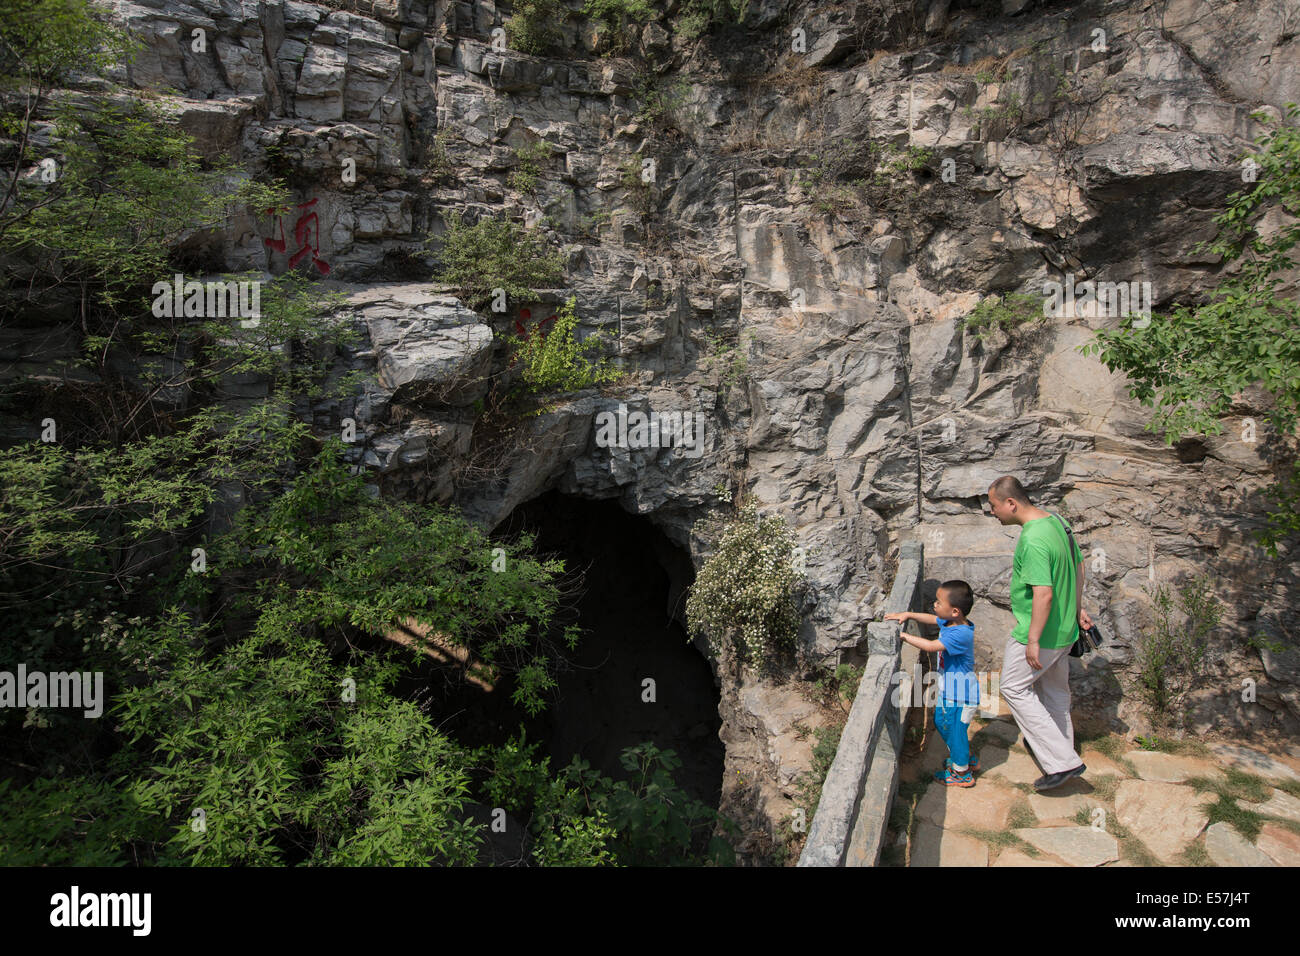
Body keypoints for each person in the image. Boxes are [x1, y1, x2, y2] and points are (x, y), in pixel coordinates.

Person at [986, 475, 1092, 791]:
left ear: (1011, 503)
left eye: (993, 506)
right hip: (1065, 629)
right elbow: (1079, 566)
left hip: (1041, 633)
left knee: (1013, 688)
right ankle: (1060, 749)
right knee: (1056, 692)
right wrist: (1075, 608)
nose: (992, 512)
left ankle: (1063, 762)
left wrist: (1032, 639)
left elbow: (1043, 593)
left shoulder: (1032, 539)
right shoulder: (1057, 521)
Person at [886, 580, 981, 787]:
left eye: (939, 602)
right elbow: (933, 618)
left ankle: (961, 773)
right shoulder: (951, 622)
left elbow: (930, 646)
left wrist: (903, 636)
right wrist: (909, 615)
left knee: (952, 729)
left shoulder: (960, 634)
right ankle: (962, 757)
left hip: (960, 695)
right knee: (946, 725)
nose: (935, 605)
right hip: (953, 691)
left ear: (954, 611)